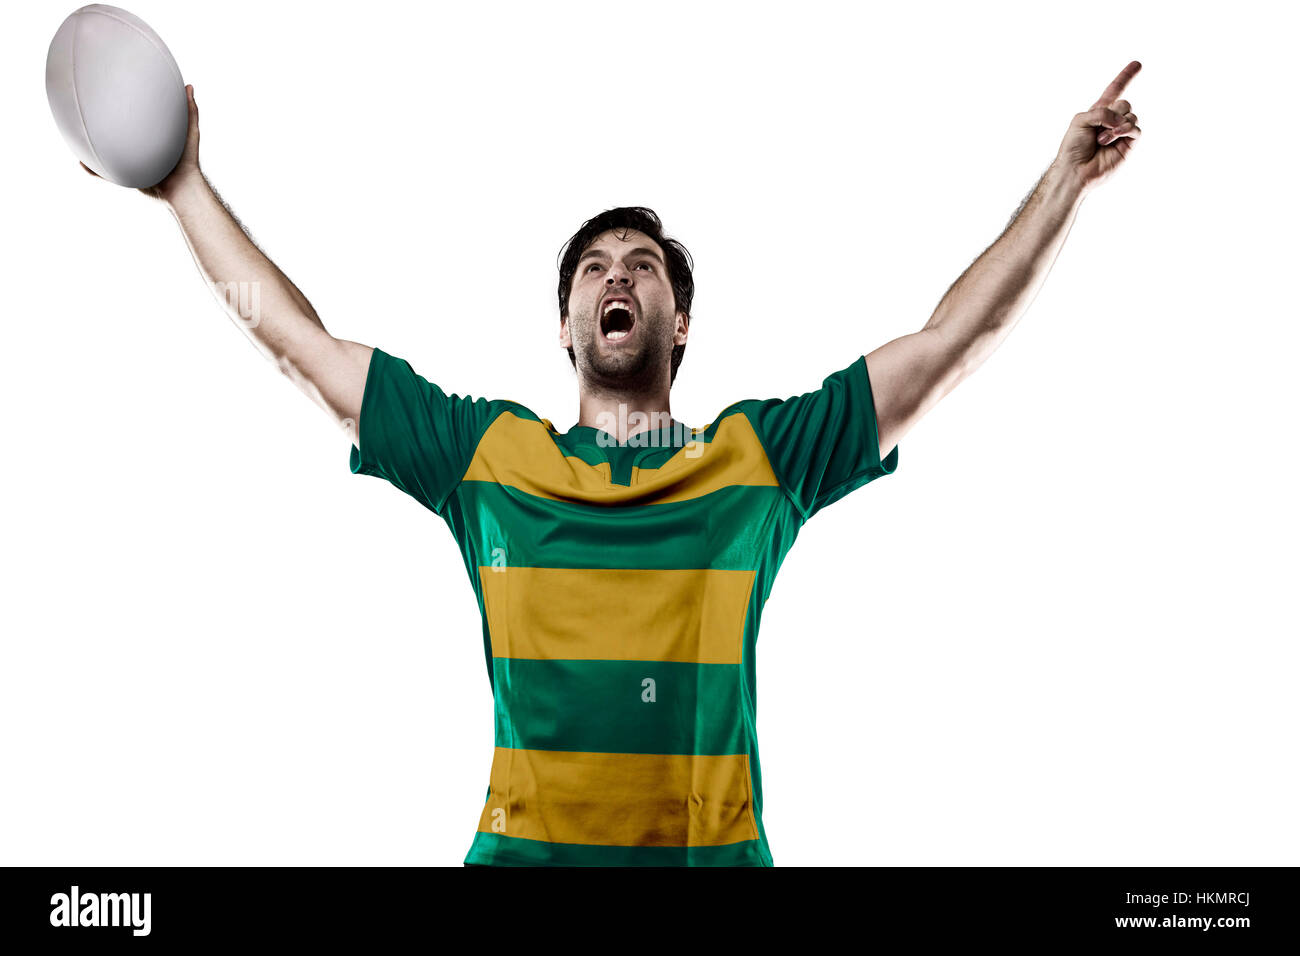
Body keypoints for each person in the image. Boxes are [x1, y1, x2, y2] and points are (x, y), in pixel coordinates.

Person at [82, 62, 1143, 866]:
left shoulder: (760, 458)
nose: (614, 276)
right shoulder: (483, 454)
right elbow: (297, 345)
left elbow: (948, 341)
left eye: (640, 265)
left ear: (679, 325)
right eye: (592, 268)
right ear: (567, 327)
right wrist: (183, 189)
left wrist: (1062, 182)